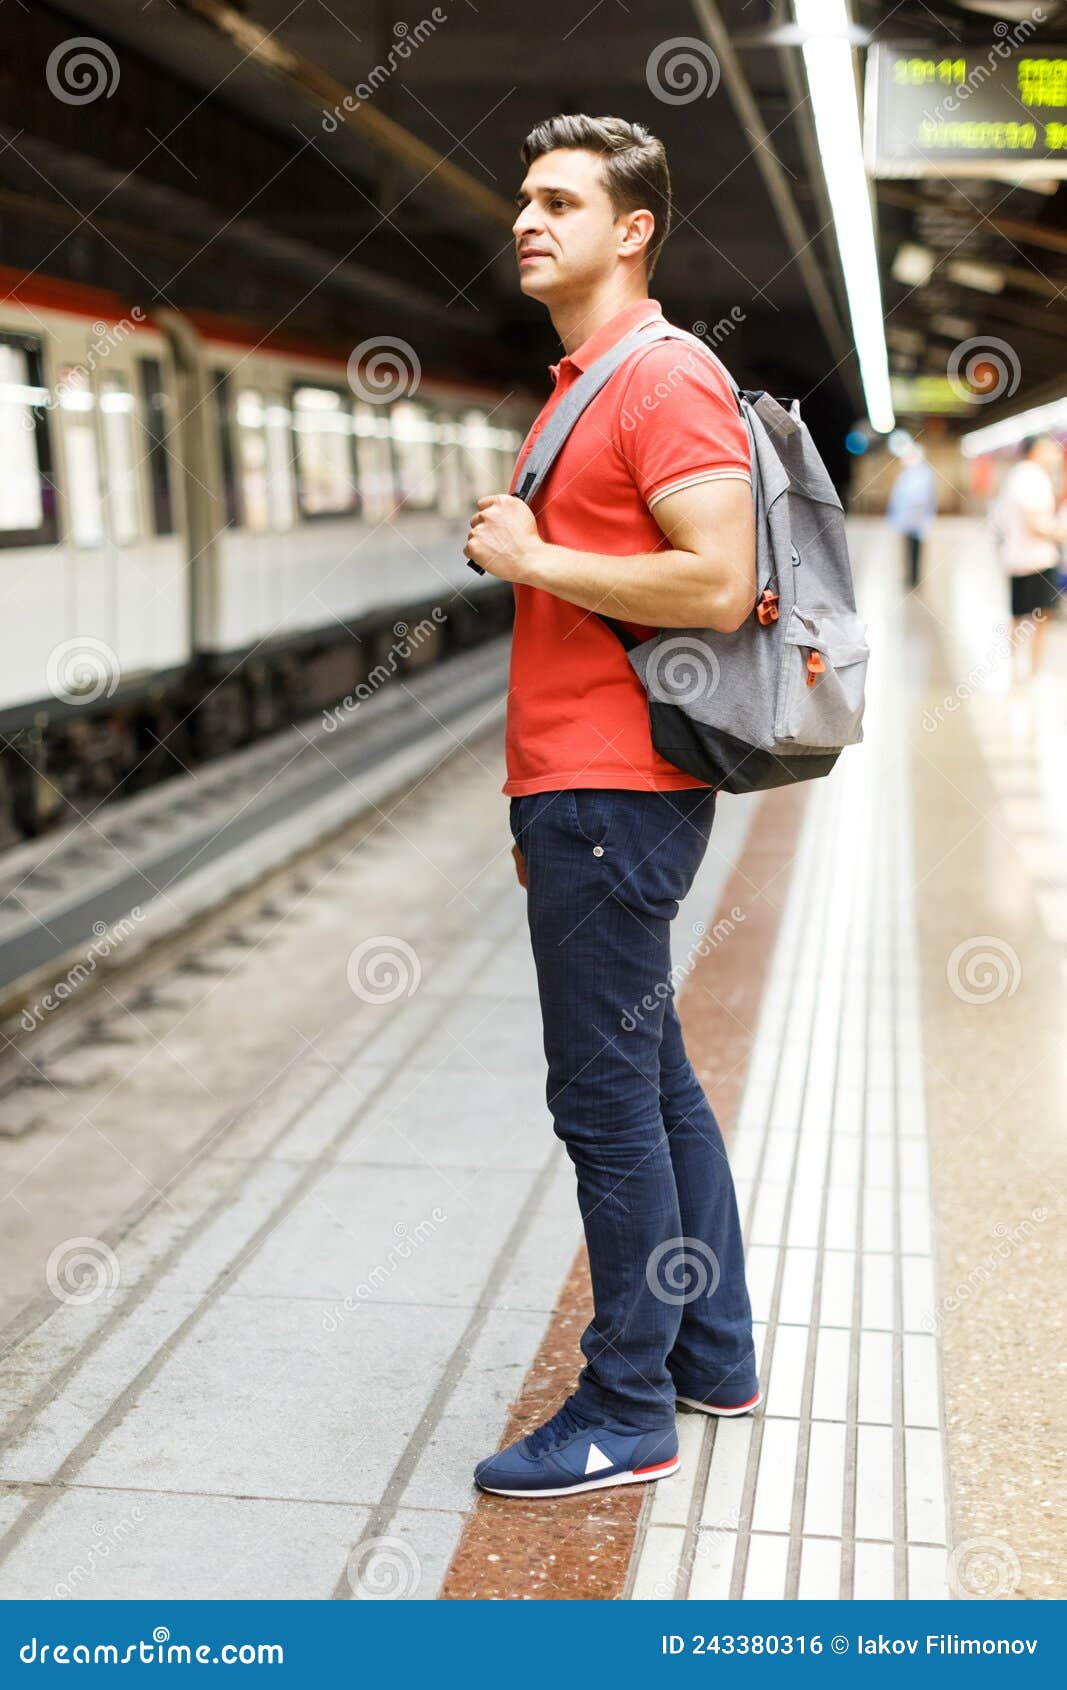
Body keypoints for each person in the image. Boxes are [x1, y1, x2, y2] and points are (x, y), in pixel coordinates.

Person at [464, 114, 760, 1500]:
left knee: (602, 1101)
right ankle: (712, 1347)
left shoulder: (658, 380)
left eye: (557, 200)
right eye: (522, 198)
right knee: (651, 1080)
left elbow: (713, 582)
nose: (526, 217)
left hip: (613, 792)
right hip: (579, 794)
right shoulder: (584, 381)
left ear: (629, 228)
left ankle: (623, 1400)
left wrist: (535, 552)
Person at [996, 435, 1065, 682]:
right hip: (1036, 560)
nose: (1055, 455)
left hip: (1018, 558)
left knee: (1018, 615)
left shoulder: (1018, 475)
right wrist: (1061, 534)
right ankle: (1033, 671)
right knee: (1041, 617)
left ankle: (1016, 668)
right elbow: (1036, 524)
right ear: (1035, 451)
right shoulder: (1033, 477)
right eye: (1050, 449)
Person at [886, 441, 937, 587]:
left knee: (916, 551)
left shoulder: (923, 475)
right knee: (908, 550)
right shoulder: (906, 475)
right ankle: (909, 576)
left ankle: (914, 578)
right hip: (907, 521)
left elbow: (923, 499)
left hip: (918, 521)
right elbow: (898, 498)